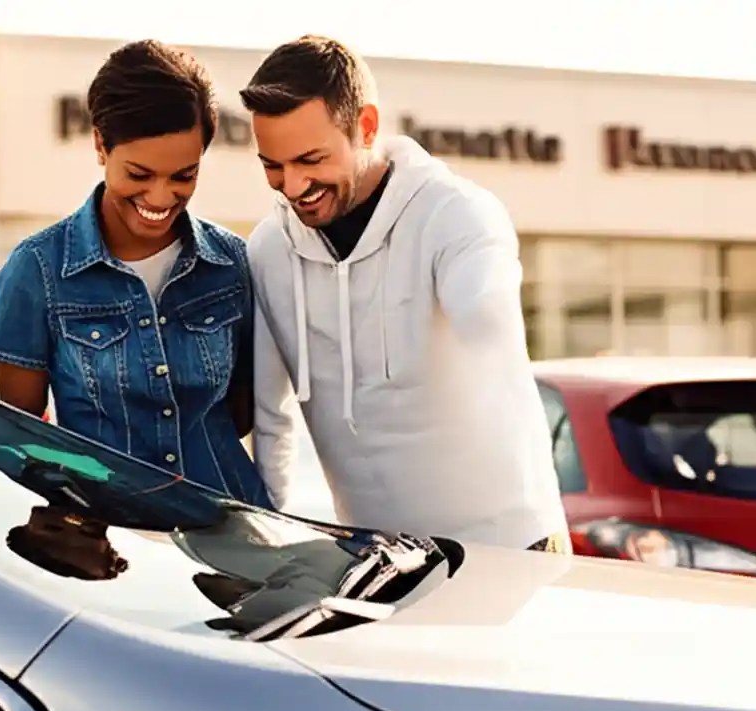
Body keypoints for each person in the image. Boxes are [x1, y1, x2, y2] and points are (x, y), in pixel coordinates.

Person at [239, 35, 570, 552]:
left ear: (365, 127)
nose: (293, 184)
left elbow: (495, 343)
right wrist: (272, 539)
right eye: (272, 165)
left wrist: (485, 304)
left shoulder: (455, 214)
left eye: (311, 159)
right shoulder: (269, 250)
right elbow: (271, 416)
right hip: (378, 555)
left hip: (509, 544)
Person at [0, 40, 271, 508]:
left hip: (229, 533)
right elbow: (23, 438)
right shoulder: (36, 272)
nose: (160, 197)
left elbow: (239, 416)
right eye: (139, 174)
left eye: (184, 175)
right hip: (112, 545)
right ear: (101, 143)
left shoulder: (232, 264)